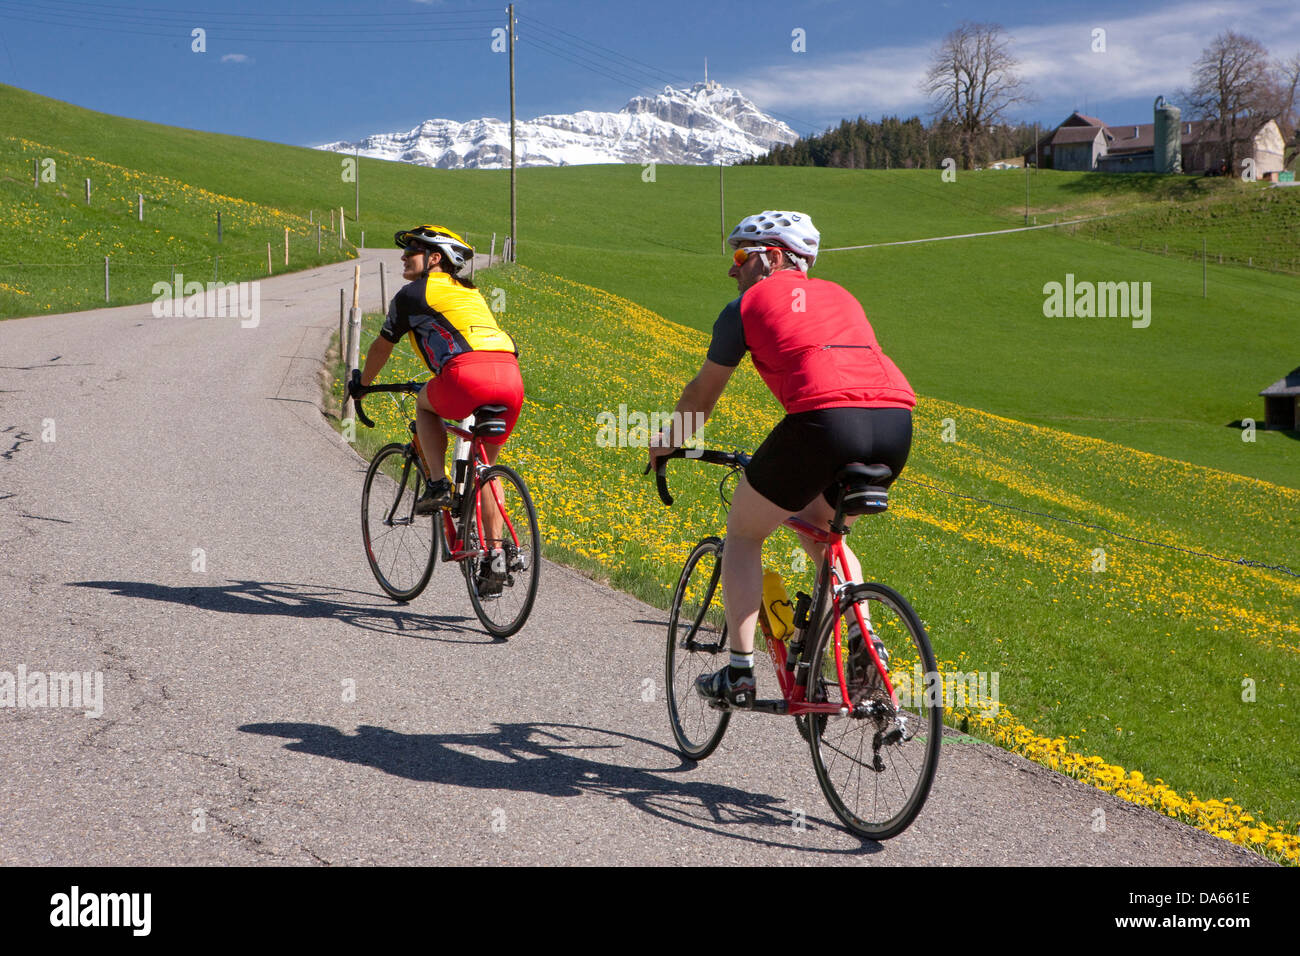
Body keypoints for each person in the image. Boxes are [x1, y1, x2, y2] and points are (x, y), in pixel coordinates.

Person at [647, 211, 915, 706]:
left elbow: (702, 396)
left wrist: (667, 439)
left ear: (771, 257)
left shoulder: (744, 307)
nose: (733, 271)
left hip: (825, 422)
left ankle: (739, 672)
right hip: (896, 423)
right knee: (823, 528)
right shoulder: (842, 295)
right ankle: (862, 639)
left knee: (746, 533)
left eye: (740, 257)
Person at [350, 224, 523, 592]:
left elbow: (382, 347)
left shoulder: (412, 294)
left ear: (434, 259)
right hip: (510, 375)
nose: (402, 257)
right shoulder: (469, 291)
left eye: (411, 251)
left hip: (466, 375)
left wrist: (362, 386)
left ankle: (438, 485)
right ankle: (494, 558)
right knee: (486, 469)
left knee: (426, 408)